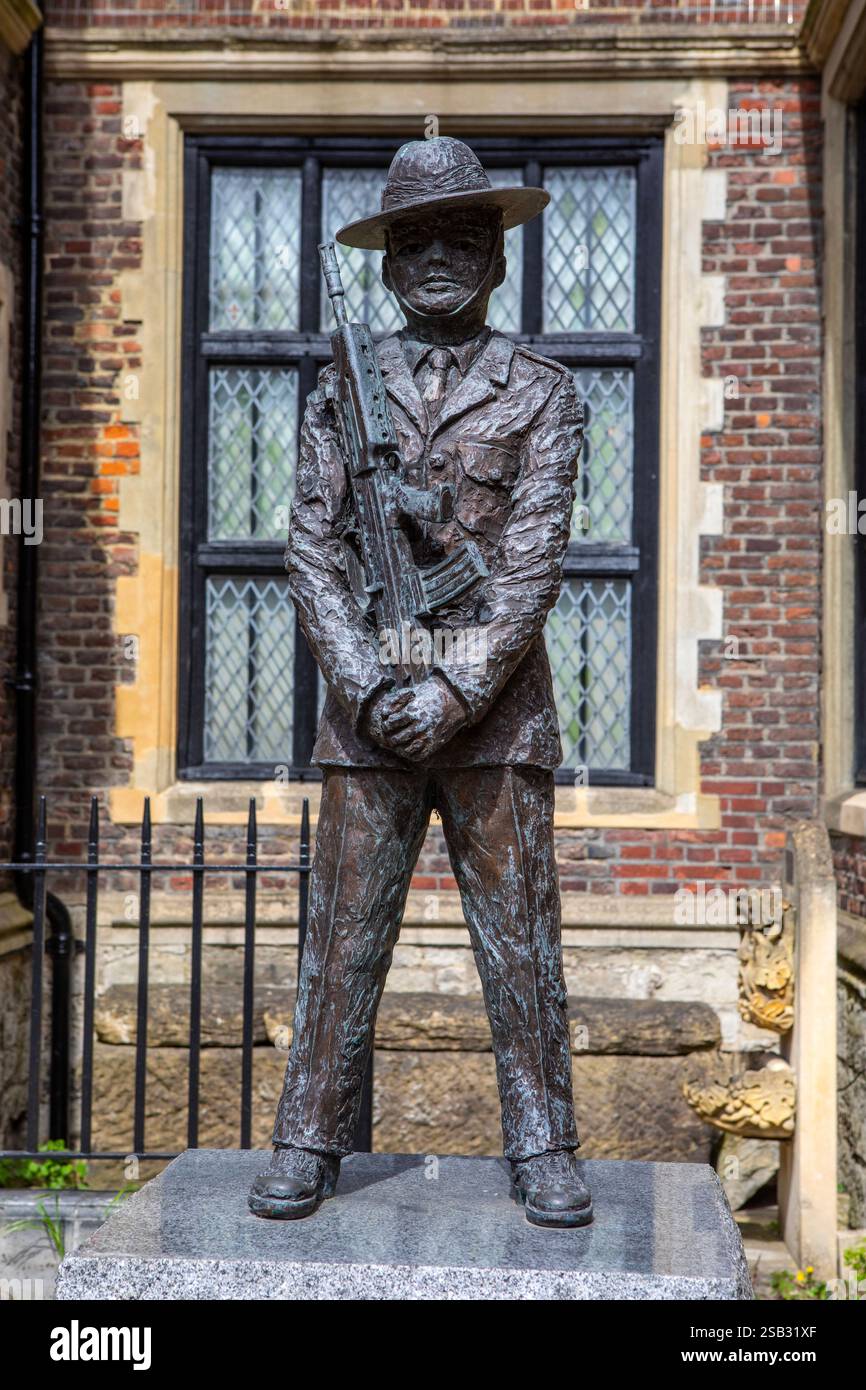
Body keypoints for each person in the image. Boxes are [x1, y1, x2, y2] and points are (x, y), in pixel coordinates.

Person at [249, 136, 592, 1229]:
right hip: (366, 721)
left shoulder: (542, 392)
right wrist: (361, 685)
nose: (436, 258)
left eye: (459, 236)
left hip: (495, 719)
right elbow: (309, 548)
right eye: (414, 239)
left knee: (521, 949)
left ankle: (544, 1145)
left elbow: (535, 559)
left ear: (493, 255)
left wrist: (454, 690)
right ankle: (307, 1139)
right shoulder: (337, 390)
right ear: (389, 261)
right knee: (341, 942)